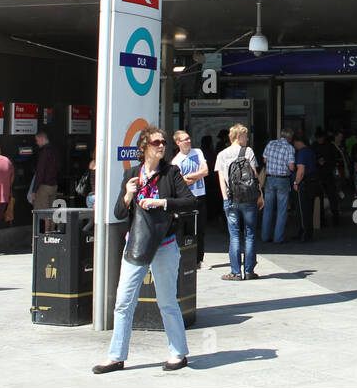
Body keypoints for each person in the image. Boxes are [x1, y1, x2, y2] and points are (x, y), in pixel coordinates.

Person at [94, 125, 197, 373]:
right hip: (137, 244)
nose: (162, 146)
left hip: (165, 244)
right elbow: (119, 213)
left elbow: (190, 202)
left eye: (163, 142)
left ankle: (178, 353)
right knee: (123, 302)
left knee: (167, 301)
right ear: (144, 147)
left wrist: (162, 202)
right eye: (156, 142)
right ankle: (116, 356)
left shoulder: (171, 173)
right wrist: (128, 195)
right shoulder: (131, 174)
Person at [215, 124, 263, 280]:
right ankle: (249, 271)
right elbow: (255, 176)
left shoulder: (222, 154)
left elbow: (221, 179)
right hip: (249, 198)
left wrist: (225, 199)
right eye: (245, 135)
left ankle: (235, 272)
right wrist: (260, 195)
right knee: (250, 234)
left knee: (234, 235)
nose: (247, 138)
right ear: (238, 136)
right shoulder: (248, 151)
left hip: (231, 199)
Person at [172, 129, 208, 266]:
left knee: (201, 229)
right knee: (187, 230)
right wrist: (197, 175)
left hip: (200, 195)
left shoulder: (197, 152)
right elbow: (180, 182)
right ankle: (186, 258)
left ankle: (199, 259)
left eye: (189, 138)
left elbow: (205, 171)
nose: (188, 141)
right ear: (178, 143)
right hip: (187, 198)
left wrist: (190, 177)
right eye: (185, 139)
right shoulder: (176, 161)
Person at [261, 127, 296, 243]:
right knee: (282, 210)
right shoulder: (289, 148)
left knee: (268, 209)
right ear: (290, 138)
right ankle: (278, 238)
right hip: (282, 179)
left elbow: (264, 160)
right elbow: (291, 167)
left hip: (270, 178)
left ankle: (265, 236)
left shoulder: (271, 143)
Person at [27, 128, 61, 234]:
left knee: (44, 212)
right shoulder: (55, 150)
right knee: (52, 210)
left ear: (42, 139)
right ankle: (52, 233)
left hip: (44, 186)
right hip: (54, 185)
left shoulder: (44, 152)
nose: (37, 143)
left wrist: (34, 190)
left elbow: (40, 172)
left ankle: (46, 235)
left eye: (37, 140)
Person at [292, 131, 320, 242]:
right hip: (311, 183)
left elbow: (301, 171)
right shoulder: (310, 151)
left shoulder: (302, 153)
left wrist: (296, 183)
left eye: (294, 142)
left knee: (302, 210)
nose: (294, 145)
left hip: (303, 184)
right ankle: (306, 233)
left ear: (299, 142)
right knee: (308, 209)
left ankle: (304, 233)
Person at [315, 128, 342, 228]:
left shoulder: (329, 146)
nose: (320, 140)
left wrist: (325, 161)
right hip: (319, 175)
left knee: (332, 197)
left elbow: (335, 159)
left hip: (327, 174)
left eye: (321, 138)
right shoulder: (315, 146)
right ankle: (322, 220)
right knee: (321, 199)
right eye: (318, 138)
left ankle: (335, 219)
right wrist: (318, 161)